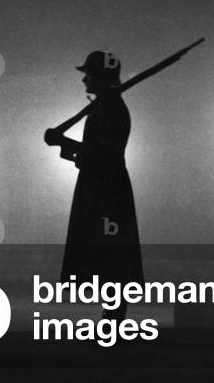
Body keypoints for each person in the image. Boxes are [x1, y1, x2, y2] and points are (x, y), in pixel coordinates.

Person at [44, 50, 144, 320]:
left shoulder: (110, 110)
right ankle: (110, 324)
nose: (84, 80)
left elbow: (103, 156)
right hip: (101, 187)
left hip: (107, 190)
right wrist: (66, 145)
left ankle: (111, 326)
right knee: (105, 258)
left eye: (88, 74)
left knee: (111, 260)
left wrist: (62, 142)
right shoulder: (105, 108)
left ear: (101, 77)